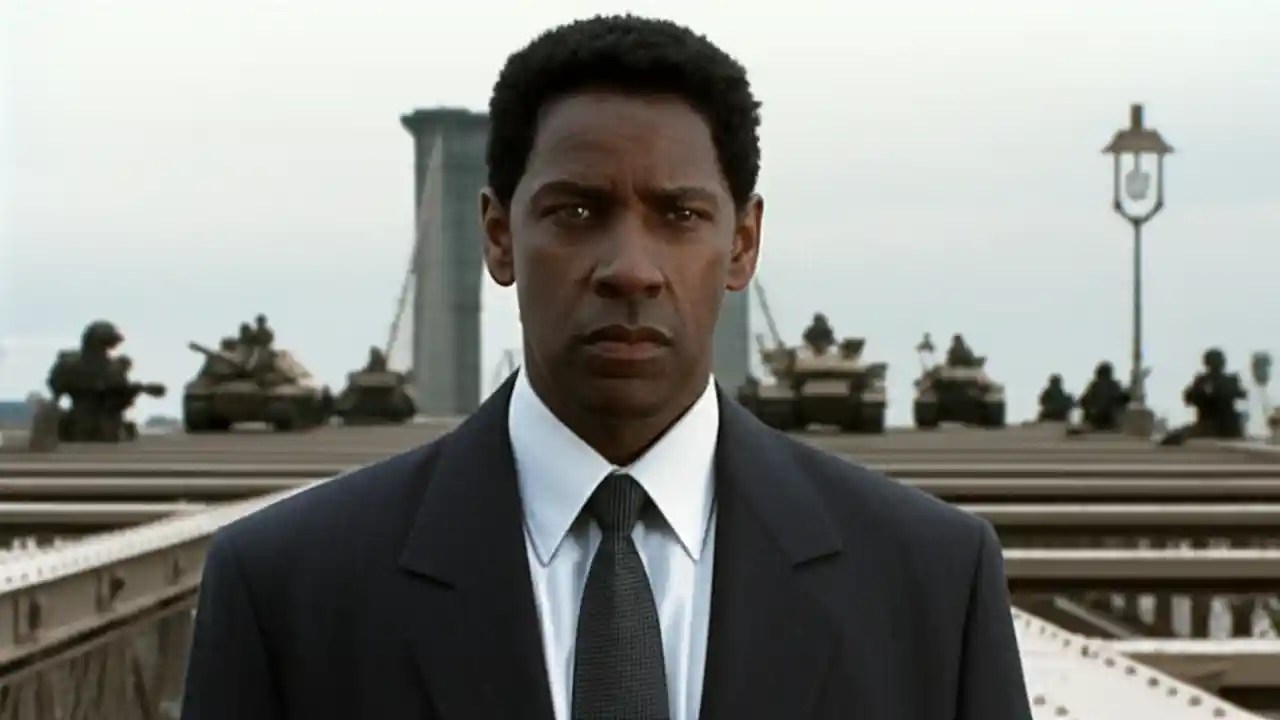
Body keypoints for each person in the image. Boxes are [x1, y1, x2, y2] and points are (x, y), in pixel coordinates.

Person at [181, 15, 1030, 720]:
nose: (630, 265)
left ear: (743, 244)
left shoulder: (934, 585)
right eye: (577, 210)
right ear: (498, 236)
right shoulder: (284, 590)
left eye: (680, 214)